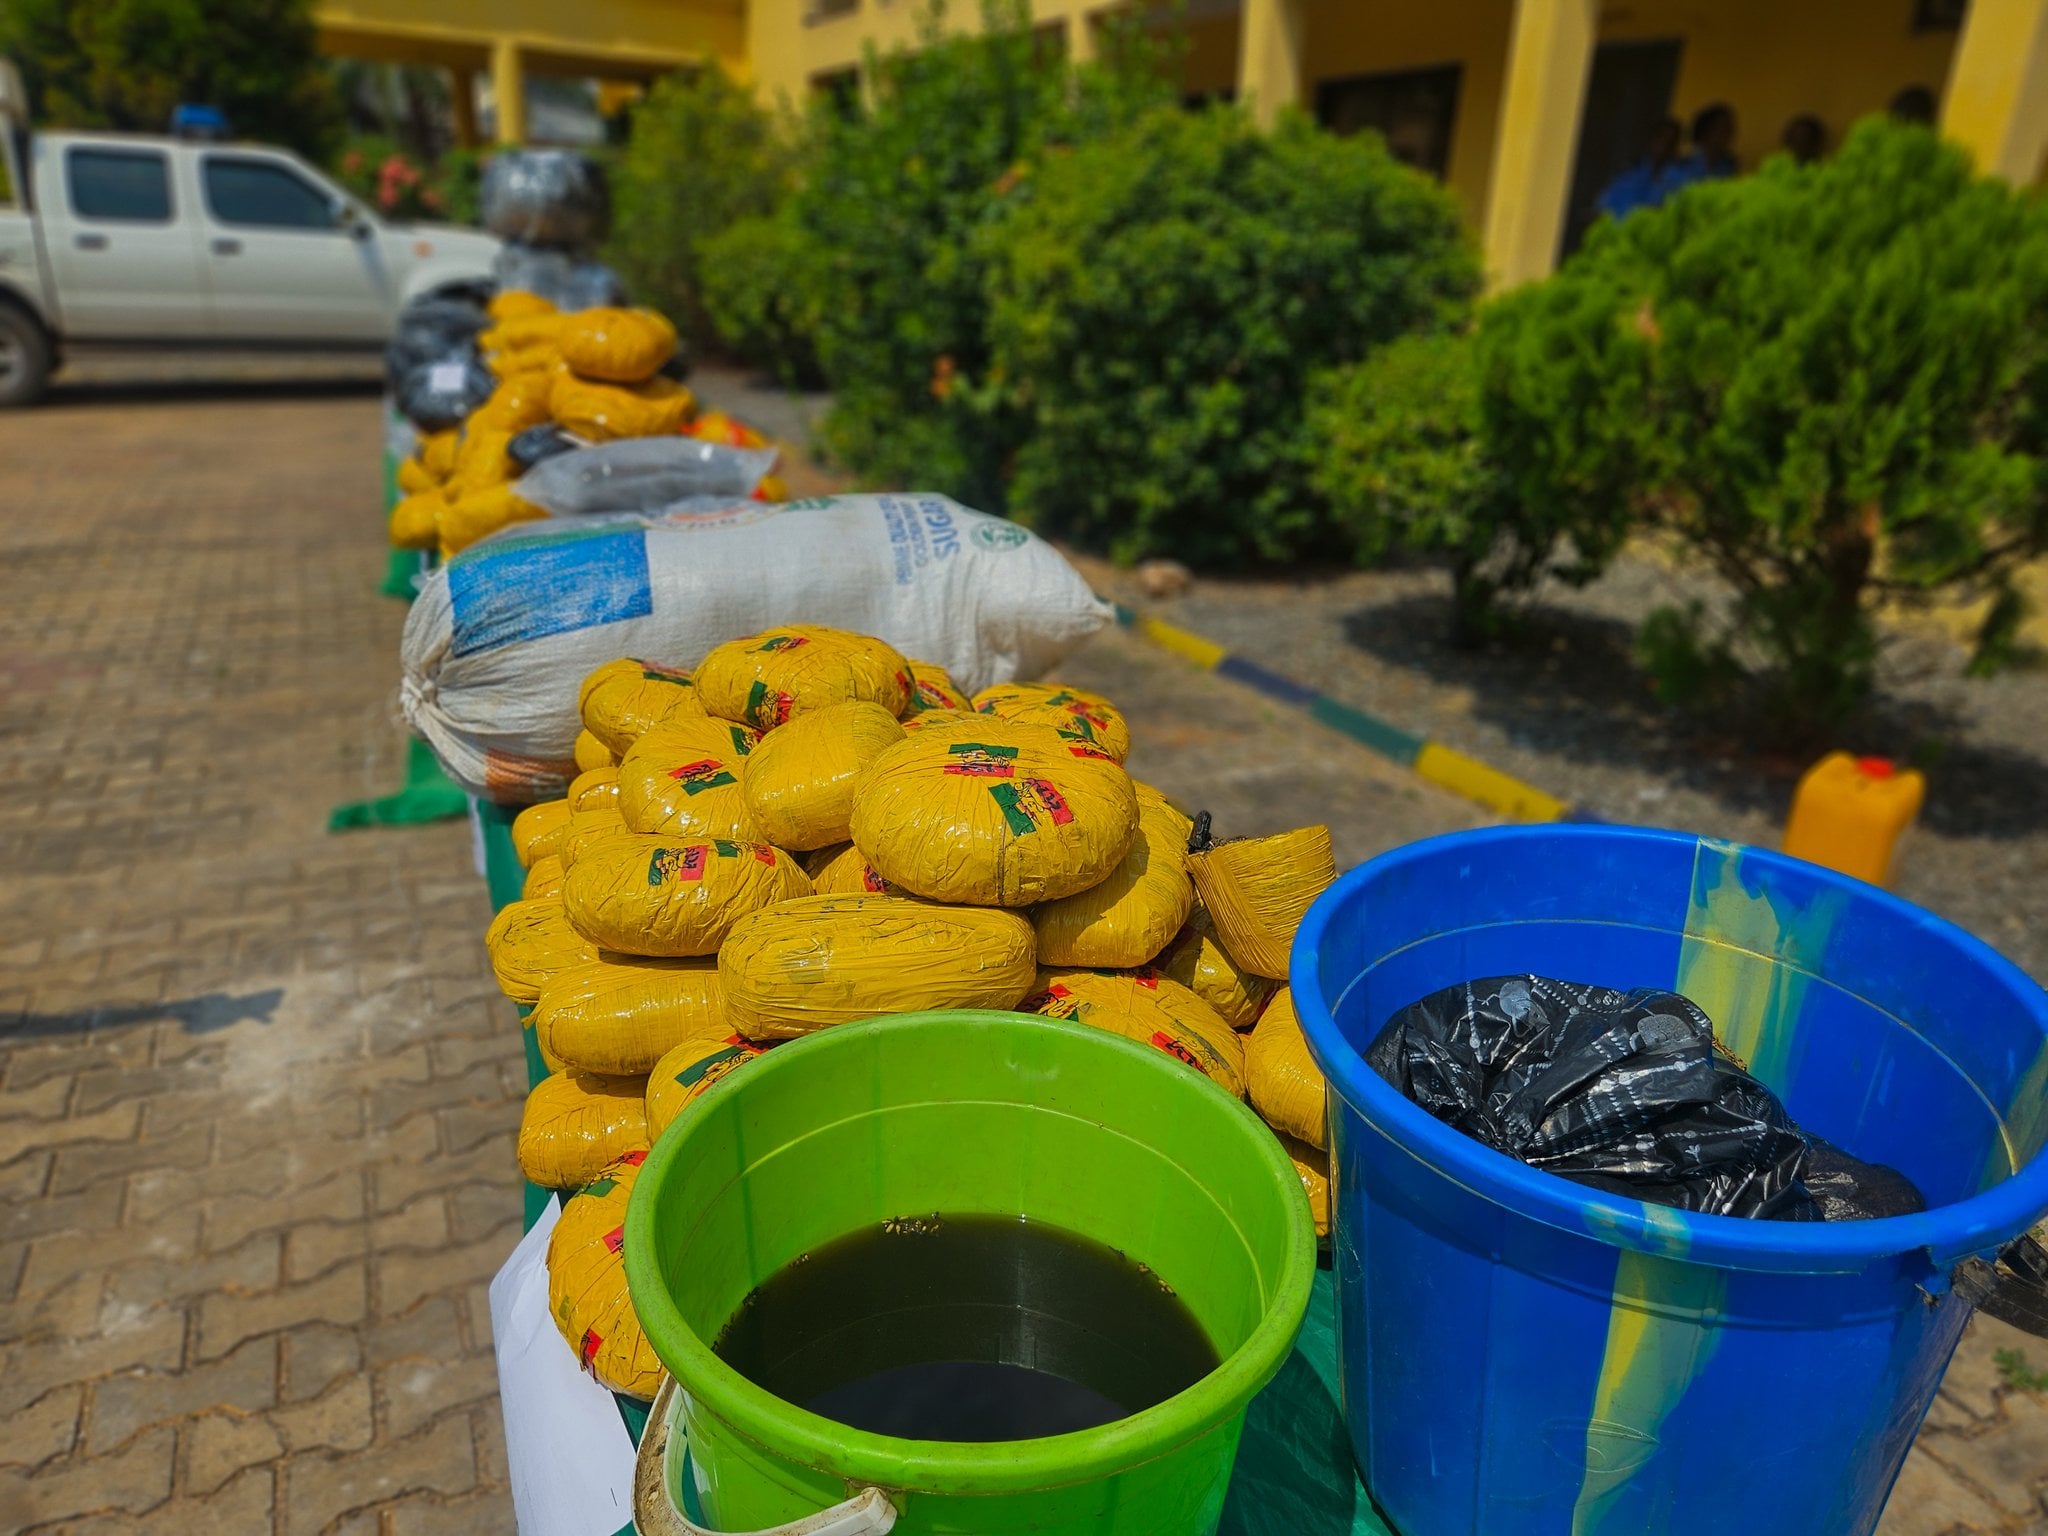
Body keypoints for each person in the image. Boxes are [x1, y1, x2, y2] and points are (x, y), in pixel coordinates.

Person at [1597, 116, 1684, 220]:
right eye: (1661, 138)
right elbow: (1603, 206)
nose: (1664, 145)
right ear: (1651, 140)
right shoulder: (1630, 171)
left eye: (1670, 142)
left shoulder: (1679, 180)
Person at [1664, 102, 1739, 193]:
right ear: (1706, 130)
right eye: (1723, 128)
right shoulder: (1681, 166)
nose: (1728, 134)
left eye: (1730, 129)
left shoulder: (1728, 168)